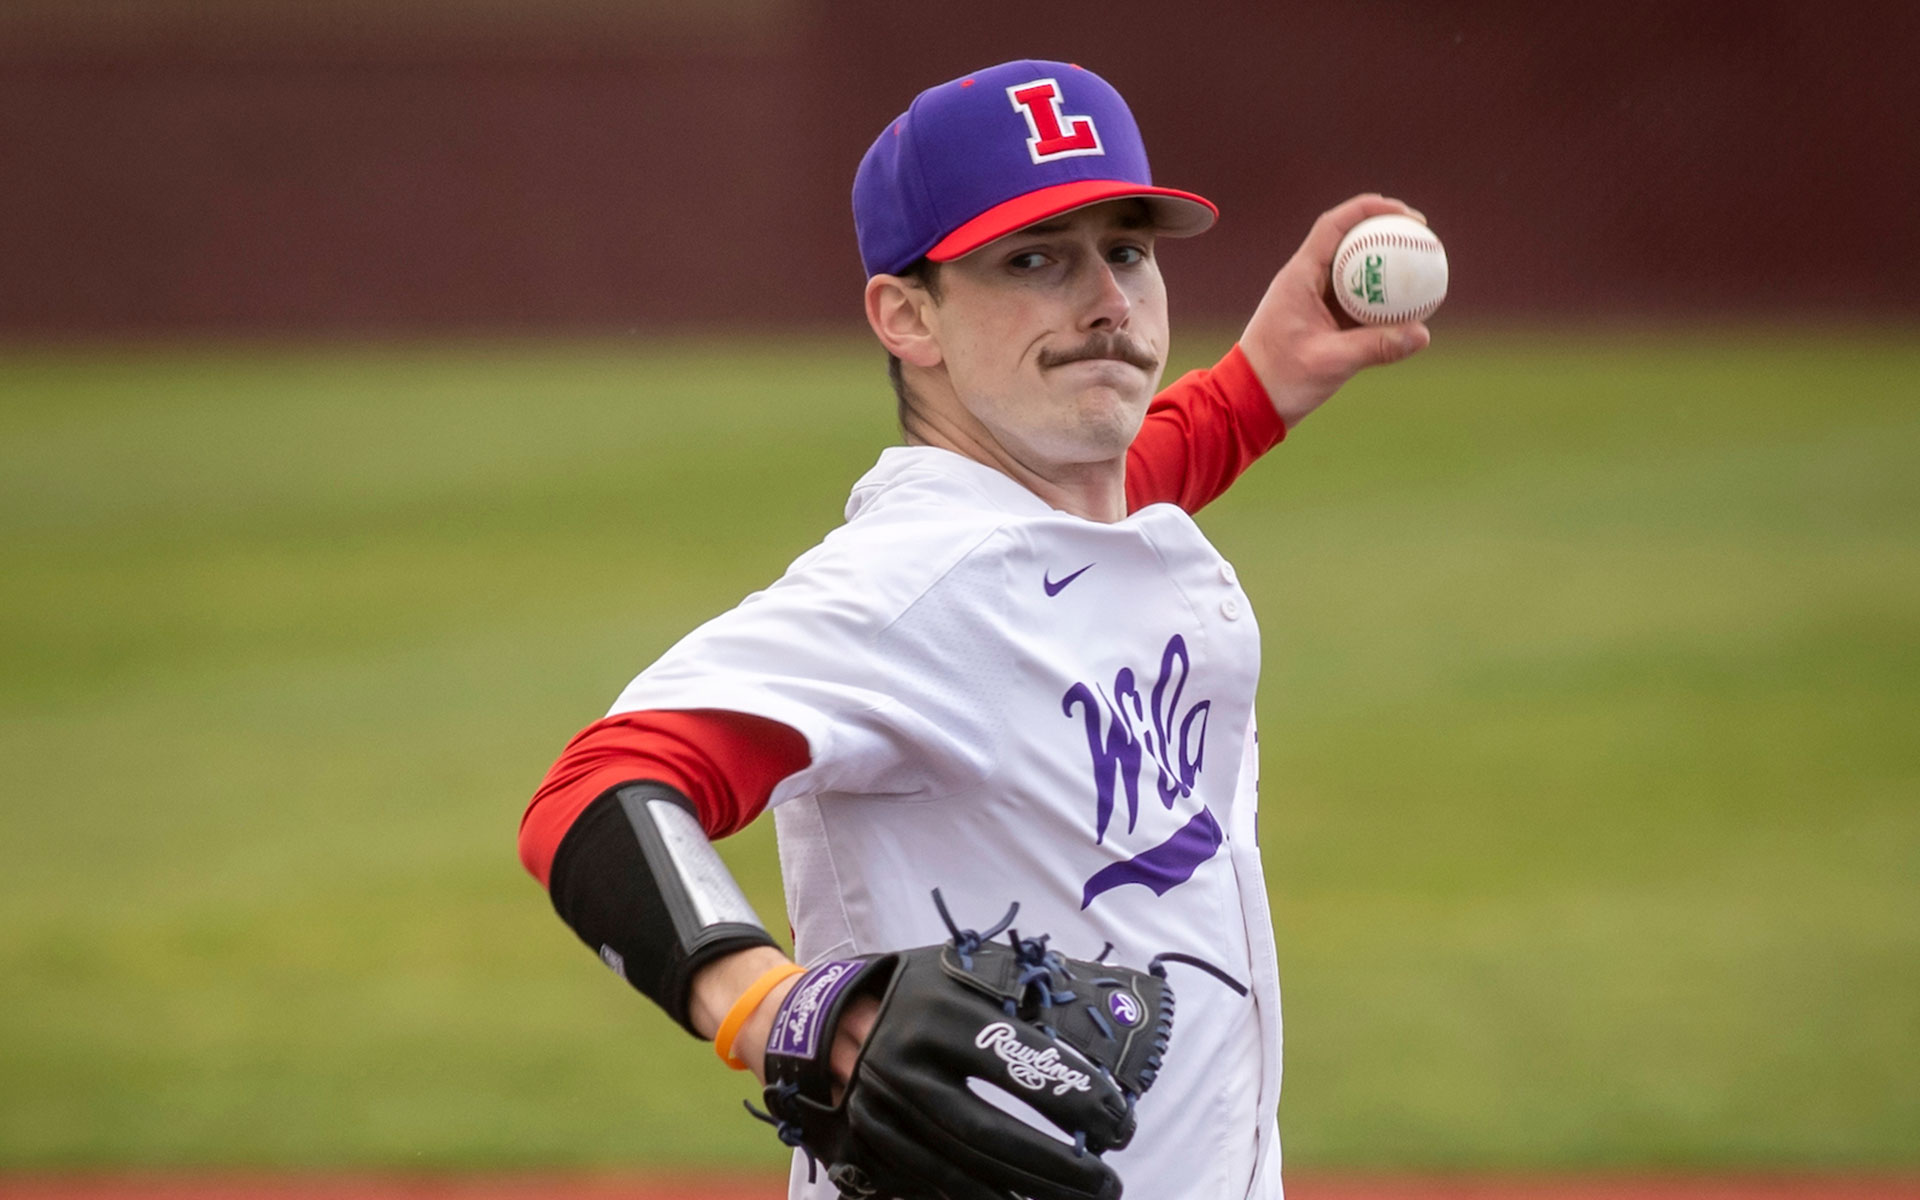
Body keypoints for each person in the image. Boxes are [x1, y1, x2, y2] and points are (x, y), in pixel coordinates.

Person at [518, 58, 1430, 1199]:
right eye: (1035, 260)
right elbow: (594, 793)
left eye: (1127, 251)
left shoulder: (1058, 519)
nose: (1106, 300)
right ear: (908, 316)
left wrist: (1265, 377)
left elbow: (1109, 497)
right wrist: (780, 1008)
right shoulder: (913, 589)